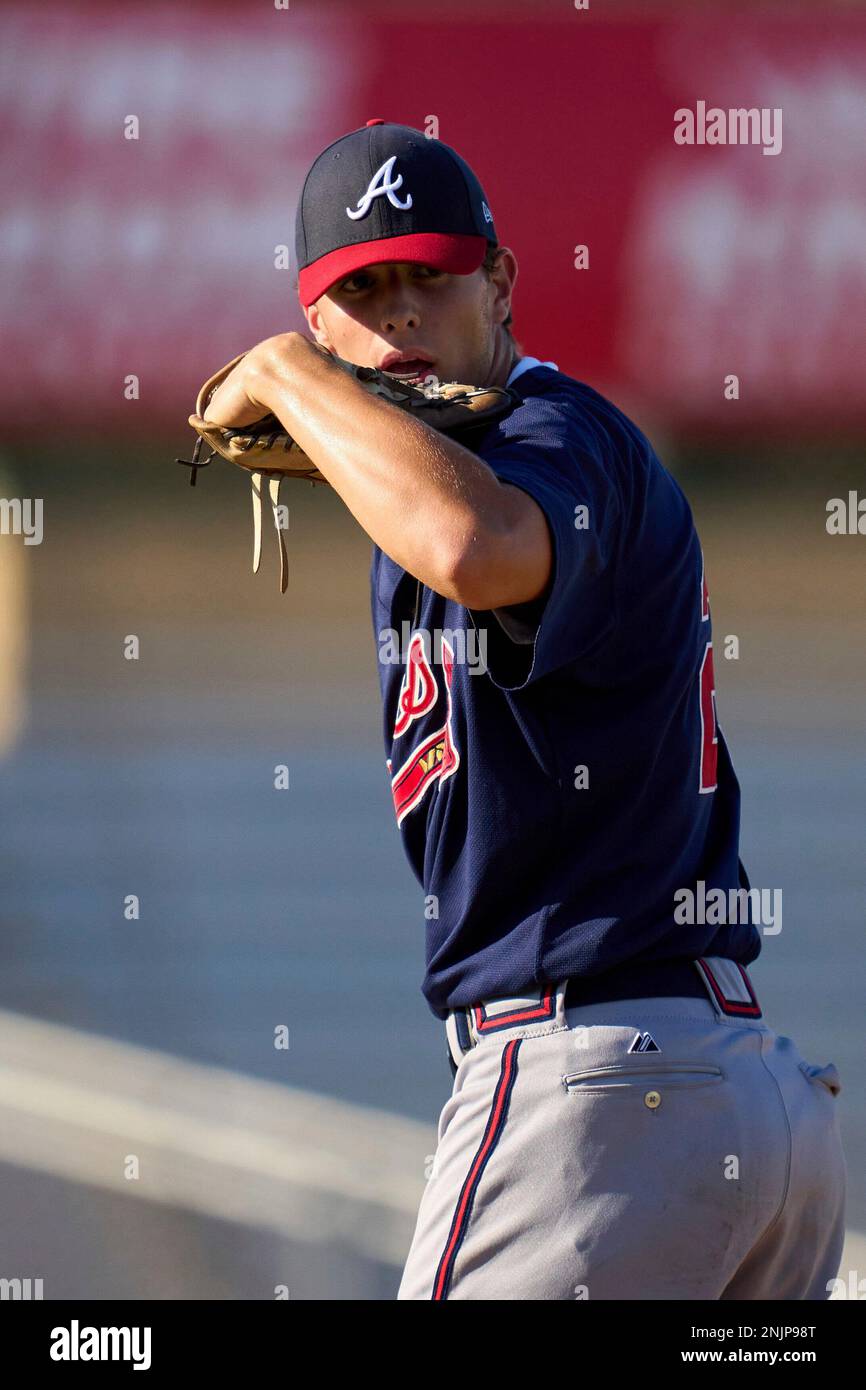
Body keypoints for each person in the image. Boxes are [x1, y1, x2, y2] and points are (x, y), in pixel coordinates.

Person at [202, 121, 846, 1301]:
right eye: (361, 289)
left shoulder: (556, 439)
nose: (398, 316)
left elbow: (474, 543)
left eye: (427, 280)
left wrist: (282, 375)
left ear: (497, 284)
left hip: (599, 1100)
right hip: (719, 1099)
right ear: (321, 317)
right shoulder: (432, 485)